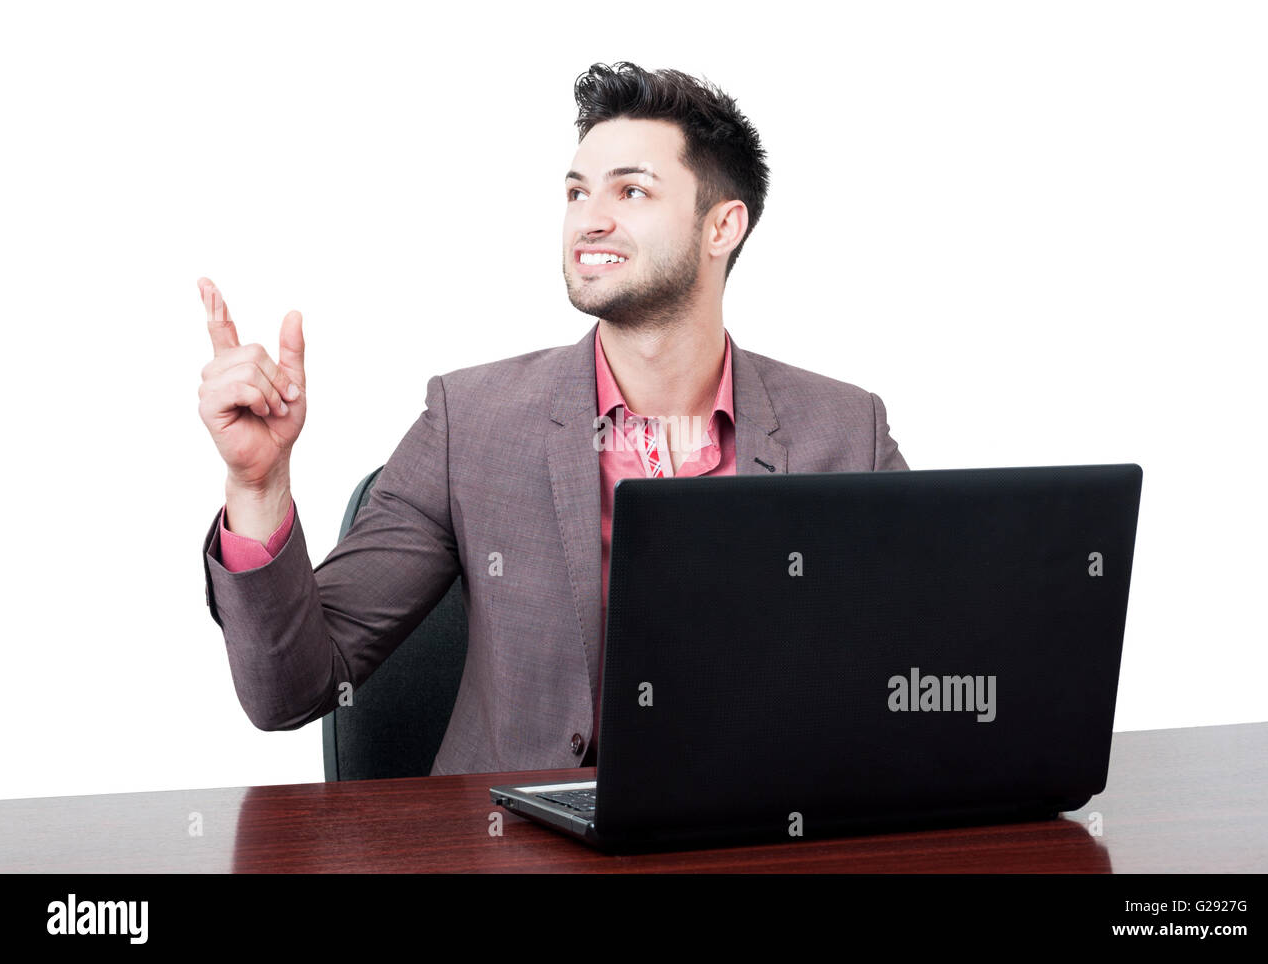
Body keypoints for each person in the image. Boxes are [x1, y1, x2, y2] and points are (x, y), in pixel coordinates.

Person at [198, 61, 909, 775]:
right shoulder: (470, 423)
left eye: (631, 190)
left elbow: (914, 680)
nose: (589, 217)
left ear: (723, 226)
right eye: (577, 191)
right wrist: (257, 485)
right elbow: (288, 691)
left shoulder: (848, 431)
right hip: (520, 844)